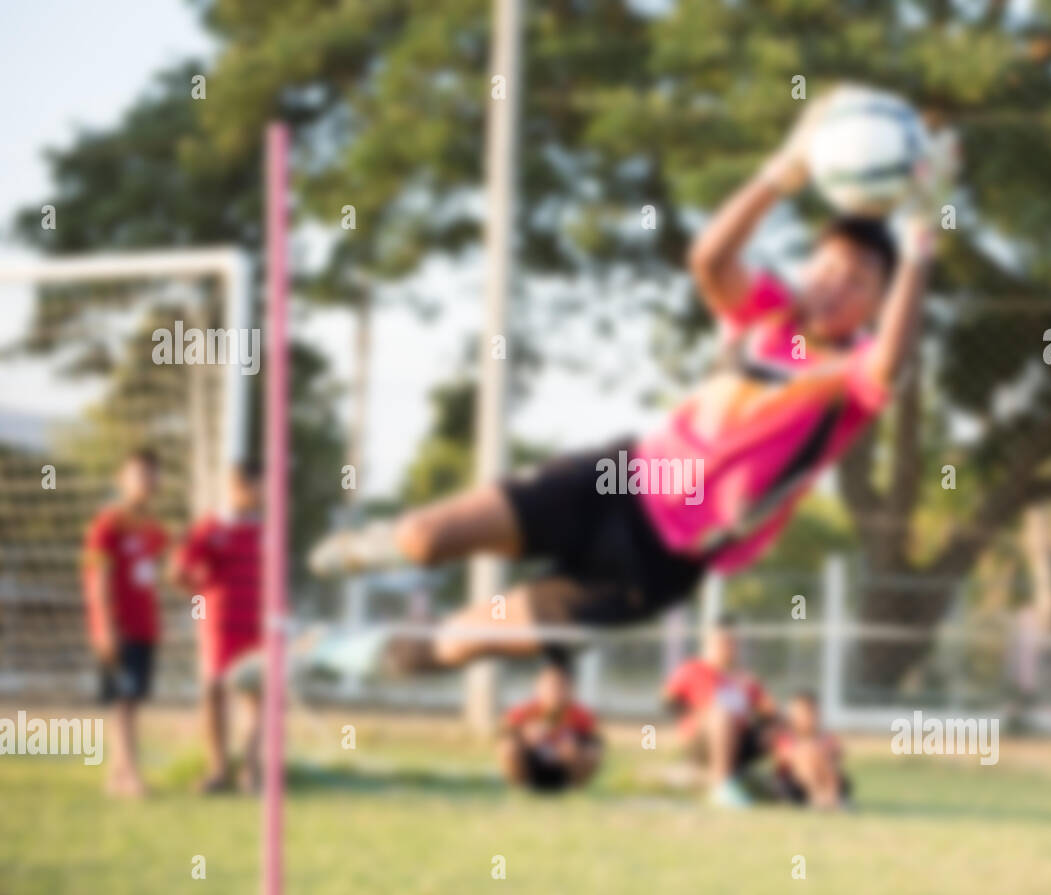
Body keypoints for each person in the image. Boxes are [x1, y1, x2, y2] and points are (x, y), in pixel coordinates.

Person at [309, 94, 952, 671]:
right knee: (424, 541)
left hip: (656, 565)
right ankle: (371, 550)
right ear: (808, 265)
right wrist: (782, 172)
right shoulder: (766, 311)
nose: (837, 285)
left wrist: (921, 237)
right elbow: (708, 259)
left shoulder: (855, 376)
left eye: (861, 282)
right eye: (830, 266)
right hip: (618, 478)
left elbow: (892, 362)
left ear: (876, 306)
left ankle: (331, 657)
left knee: (461, 640)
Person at [170, 462, 263, 792]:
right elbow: (179, 569)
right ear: (236, 486)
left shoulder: (267, 530)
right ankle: (218, 770)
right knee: (215, 690)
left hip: (259, 627)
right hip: (221, 626)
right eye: (251, 485)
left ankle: (251, 771)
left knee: (258, 695)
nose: (258, 493)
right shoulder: (212, 526)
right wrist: (202, 591)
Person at [82, 448, 168, 797]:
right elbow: (97, 577)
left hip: (146, 627)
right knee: (124, 700)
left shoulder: (153, 530)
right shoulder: (107, 526)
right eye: (138, 475)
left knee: (132, 701)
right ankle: (129, 774)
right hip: (120, 629)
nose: (145, 482)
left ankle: (117, 775)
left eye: (151, 475)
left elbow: (164, 569)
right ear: (121, 479)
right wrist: (104, 627)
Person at [662, 617, 774, 806]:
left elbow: (769, 711)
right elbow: (668, 700)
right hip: (703, 736)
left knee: (779, 730)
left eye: (732, 643)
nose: (728, 647)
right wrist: (695, 714)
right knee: (720, 715)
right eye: (723, 643)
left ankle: (791, 786)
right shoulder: (692, 669)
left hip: (741, 740)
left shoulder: (744, 678)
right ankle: (721, 785)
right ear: (710, 644)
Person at [497, 651, 602, 791]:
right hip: (532, 764)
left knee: (592, 752)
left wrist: (574, 748)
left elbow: (593, 742)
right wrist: (525, 737)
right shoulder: (524, 712)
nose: (554, 691)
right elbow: (505, 734)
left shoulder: (579, 715)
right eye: (550, 685)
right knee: (507, 747)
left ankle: (574, 787)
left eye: (560, 686)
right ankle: (521, 786)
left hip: (564, 768)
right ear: (538, 686)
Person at [771, 690, 851, 809]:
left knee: (819, 753)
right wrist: (806, 750)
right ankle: (817, 797)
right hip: (794, 784)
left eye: (809, 713)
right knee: (805, 751)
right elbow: (783, 758)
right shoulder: (787, 737)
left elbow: (837, 755)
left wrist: (819, 751)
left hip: (826, 780)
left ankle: (832, 798)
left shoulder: (825, 737)